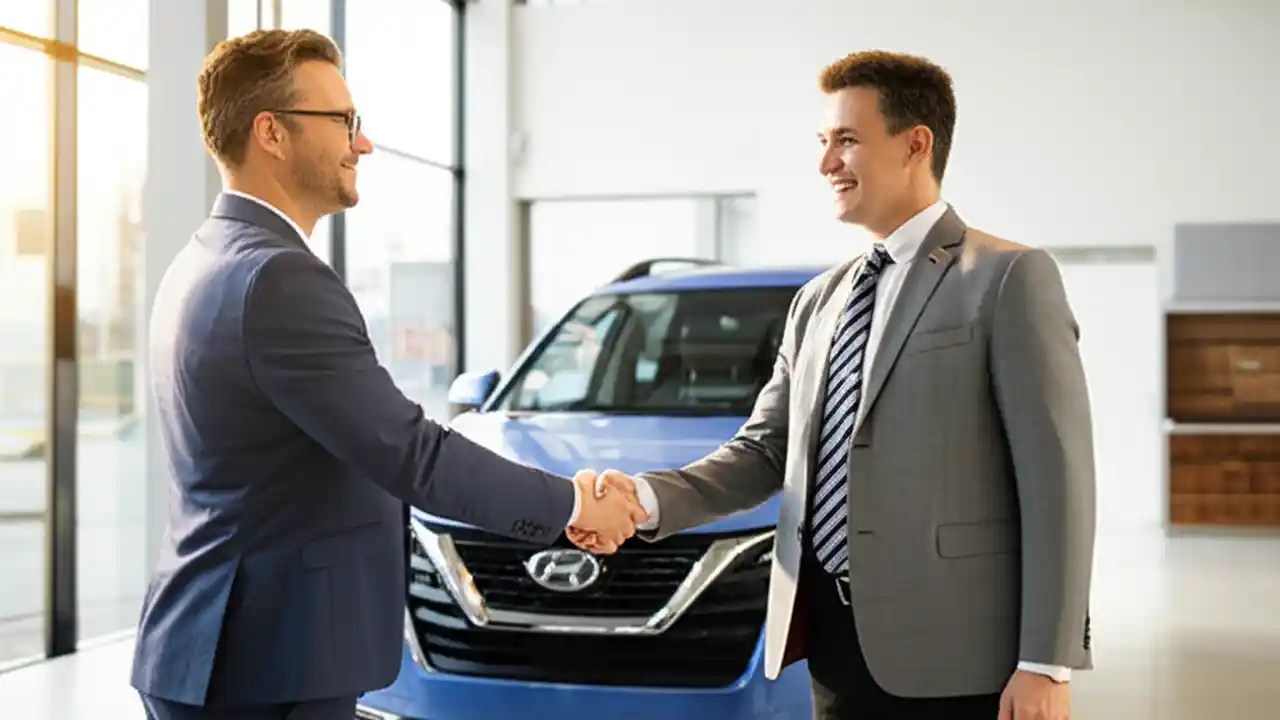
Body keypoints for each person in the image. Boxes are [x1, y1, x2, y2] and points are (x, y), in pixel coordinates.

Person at [132, 29, 645, 720]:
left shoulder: (203, 257)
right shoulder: (279, 277)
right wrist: (577, 507)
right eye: (344, 121)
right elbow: (410, 452)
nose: (362, 143)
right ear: (271, 133)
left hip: (219, 645)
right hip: (266, 663)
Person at [572, 50, 1095, 720]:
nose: (826, 165)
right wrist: (643, 498)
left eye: (846, 141)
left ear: (915, 144)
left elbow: (1058, 480)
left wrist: (1045, 662)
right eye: (824, 143)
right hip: (835, 645)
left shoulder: (1005, 278)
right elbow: (764, 453)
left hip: (960, 654)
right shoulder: (818, 301)